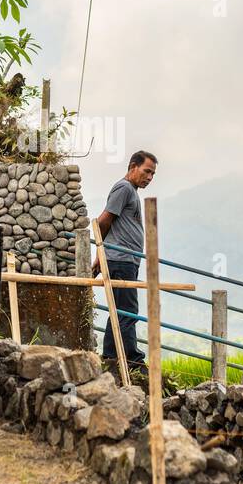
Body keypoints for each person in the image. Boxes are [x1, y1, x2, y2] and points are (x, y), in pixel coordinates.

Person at [92, 150, 158, 366]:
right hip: (121, 259)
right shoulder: (124, 188)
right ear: (132, 167)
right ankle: (130, 359)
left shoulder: (131, 191)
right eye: (147, 171)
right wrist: (100, 255)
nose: (149, 177)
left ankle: (112, 356)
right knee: (127, 311)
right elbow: (103, 221)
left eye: (153, 174)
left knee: (120, 310)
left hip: (124, 259)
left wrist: (102, 258)